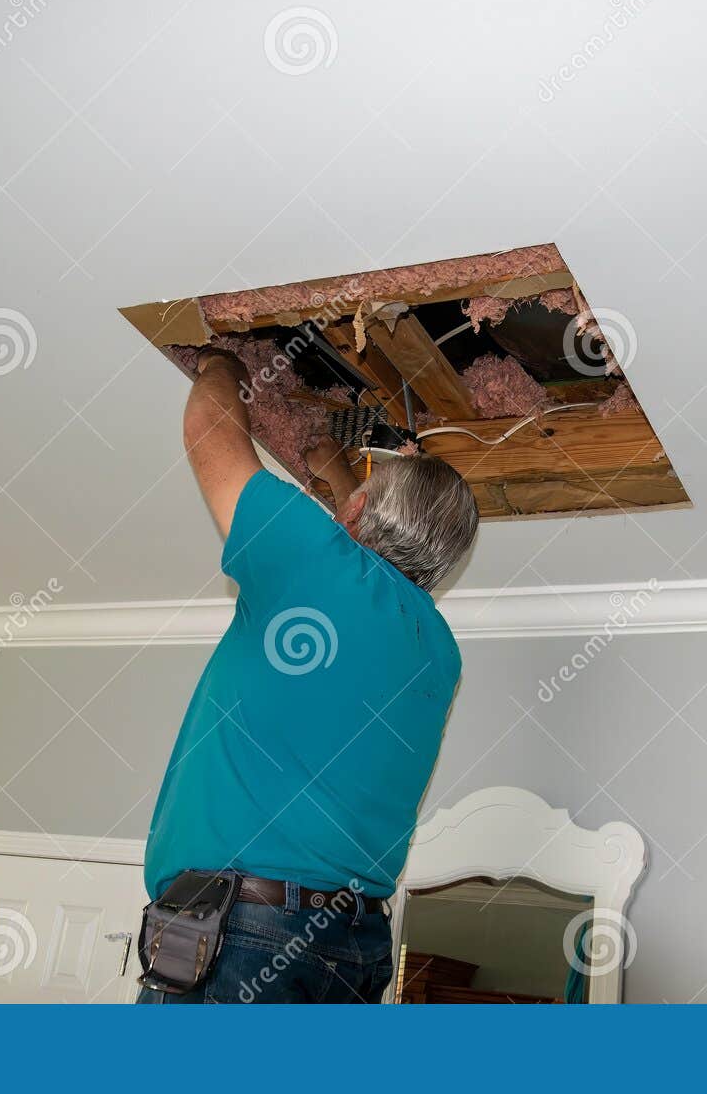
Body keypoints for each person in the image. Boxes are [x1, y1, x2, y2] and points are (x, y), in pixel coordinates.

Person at [138, 348, 480, 1004]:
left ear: (352, 519)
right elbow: (354, 546)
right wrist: (324, 456)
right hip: (346, 951)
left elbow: (208, 428)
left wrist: (224, 362)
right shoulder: (436, 650)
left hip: (245, 936)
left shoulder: (321, 571)